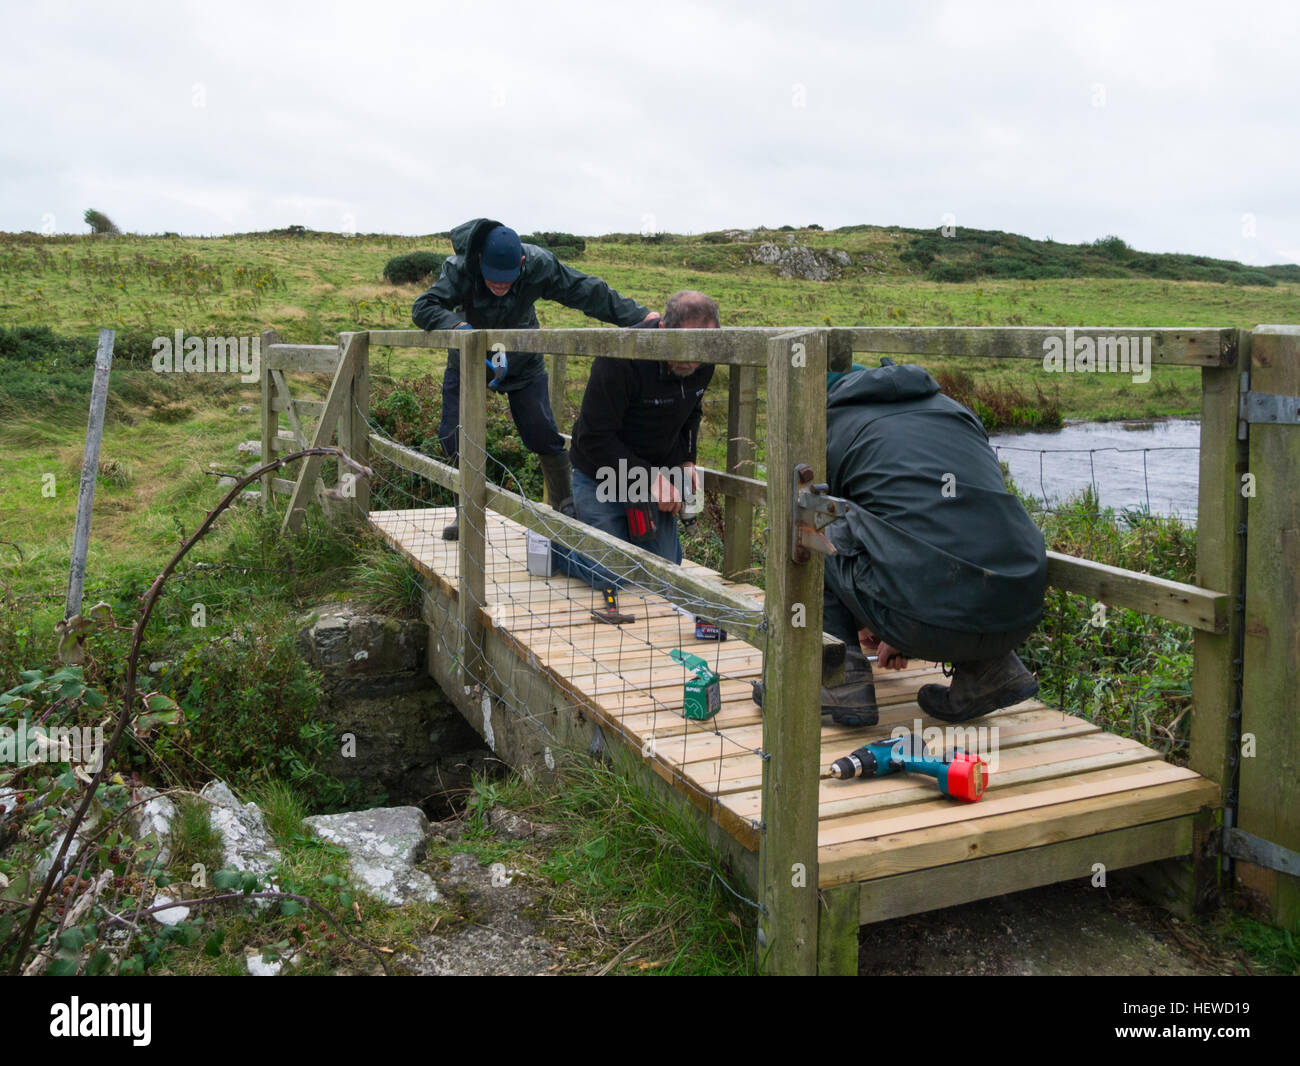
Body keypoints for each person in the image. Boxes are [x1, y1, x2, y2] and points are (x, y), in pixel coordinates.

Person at [813, 358, 1047, 725]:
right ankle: (991, 671)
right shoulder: (955, 410)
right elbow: (940, 520)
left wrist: (899, 623)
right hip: (1019, 605)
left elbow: (840, 533)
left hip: (925, 608)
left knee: (810, 522)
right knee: (961, 522)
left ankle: (840, 680)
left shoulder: (829, 425)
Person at [412, 218, 658, 540]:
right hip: (470, 361)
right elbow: (424, 306)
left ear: (523, 263)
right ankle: (467, 512)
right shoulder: (459, 269)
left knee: (542, 434)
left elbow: (586, 291)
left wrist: (639, 316)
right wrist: (458, 328)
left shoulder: (540, 265)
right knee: (455, 436)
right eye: (493, 279)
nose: (500, 286)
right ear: (479, 262)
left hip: (522, 361)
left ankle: (565, 509)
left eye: (508, 279)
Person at [553, 290, 720, 619]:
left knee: (664, 570)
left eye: (700, 349)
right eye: (682, 348)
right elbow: (593, 439)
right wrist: (649, 480)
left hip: (653, 474)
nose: (691, 360)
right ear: (661, 331)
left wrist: (686, 459)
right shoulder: (620, 356)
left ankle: (614, 535)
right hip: (600, 471)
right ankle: (561, 536)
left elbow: (691, 413)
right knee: (610, 573)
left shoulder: (703, 358)